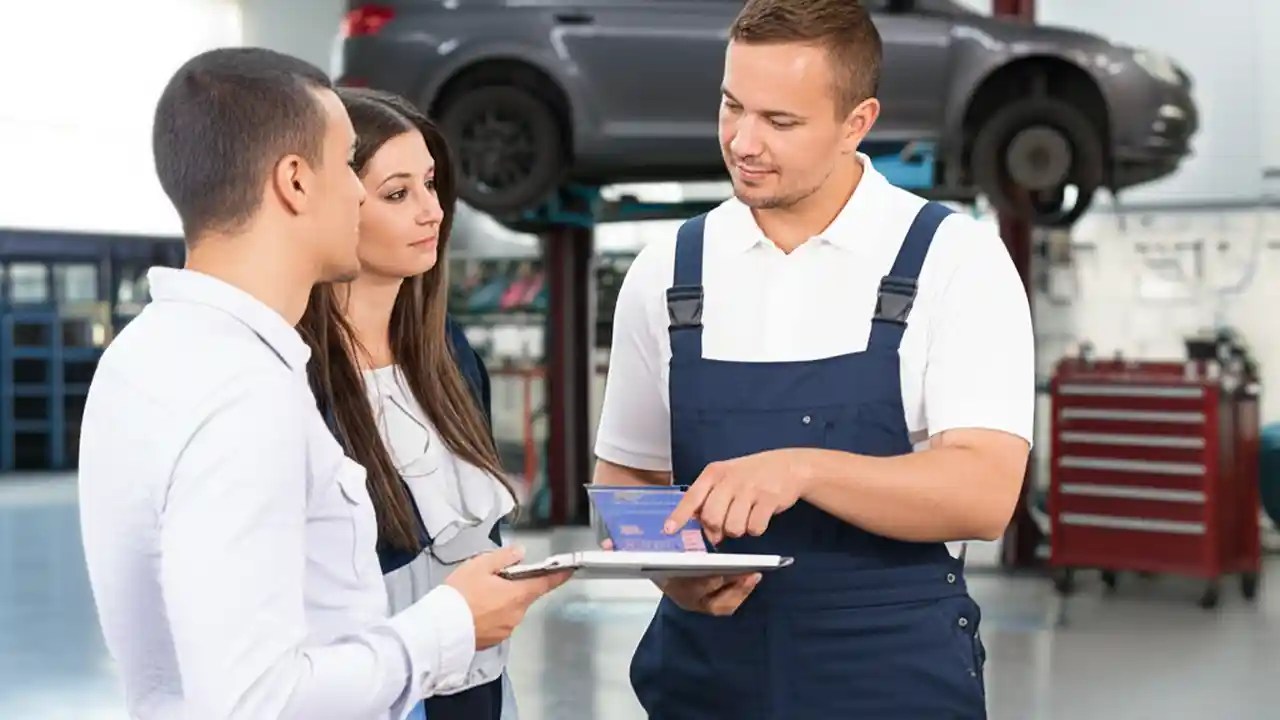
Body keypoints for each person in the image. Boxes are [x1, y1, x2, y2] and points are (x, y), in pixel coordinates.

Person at [77, 47, 568, 720]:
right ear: (295, 182)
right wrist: (452, 623)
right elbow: (257, 701)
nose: (361, 194)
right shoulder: (243, 393)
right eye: (347, 165)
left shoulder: (150, 355)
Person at [592, 1, 1034, 717]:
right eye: (732, 106)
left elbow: (984, 493)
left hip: (892, 678)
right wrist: (670, 574)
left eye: (781, 121)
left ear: (857, 122)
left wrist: (801, 468)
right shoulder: (669, 270)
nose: (743, 141)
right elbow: (625, 476)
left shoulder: (954, 261)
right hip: (706, 679)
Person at [297, 87, 524, 720]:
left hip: (479, 685)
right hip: (367, 692)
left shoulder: (450, 353)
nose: (432, 212)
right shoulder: (291, 377)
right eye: (399, 194)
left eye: (431, 185)